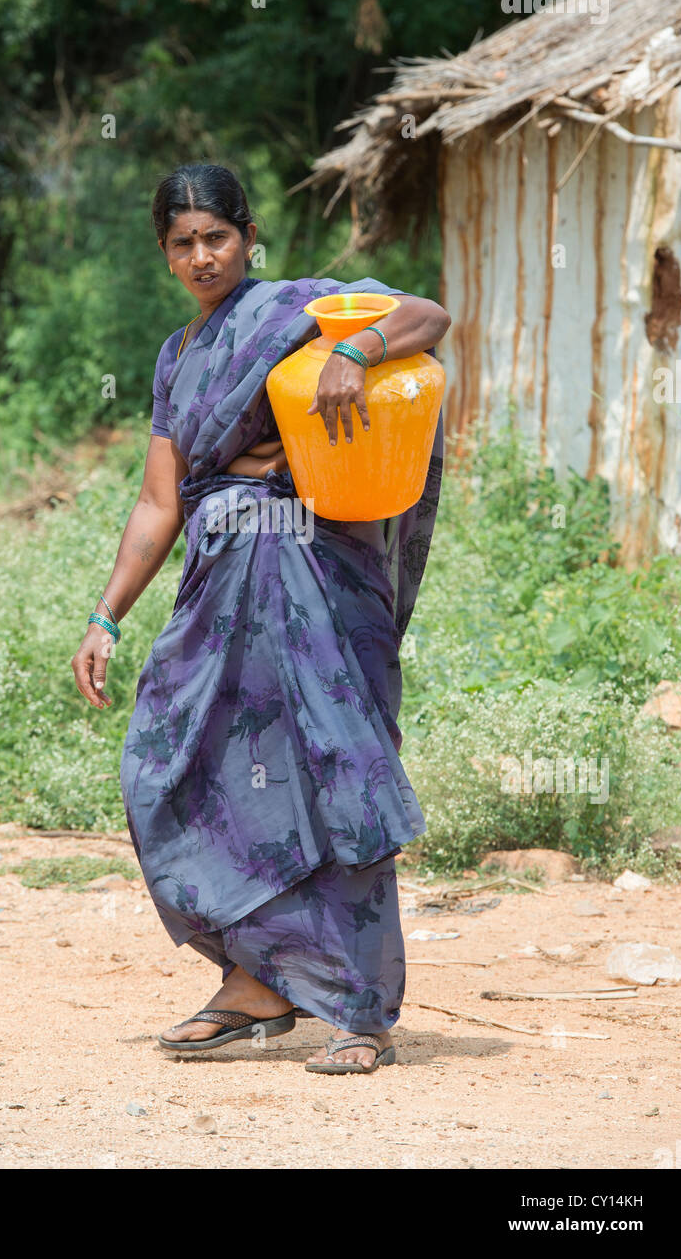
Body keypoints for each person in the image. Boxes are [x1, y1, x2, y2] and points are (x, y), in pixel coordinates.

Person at [71, 162, 449, 1073]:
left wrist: (357, 354)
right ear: (164, 255)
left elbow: (426, 316)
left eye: (217, 237)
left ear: (247, 237)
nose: (202, 256)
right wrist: (105, 617)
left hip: (315, 578)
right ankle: (257, 981)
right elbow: (160, 501)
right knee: (172, 765)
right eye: (182, 243)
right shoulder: (176, 358)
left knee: (333, 771)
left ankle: (360, 1011)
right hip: (219, 589)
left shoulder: (306, 308)